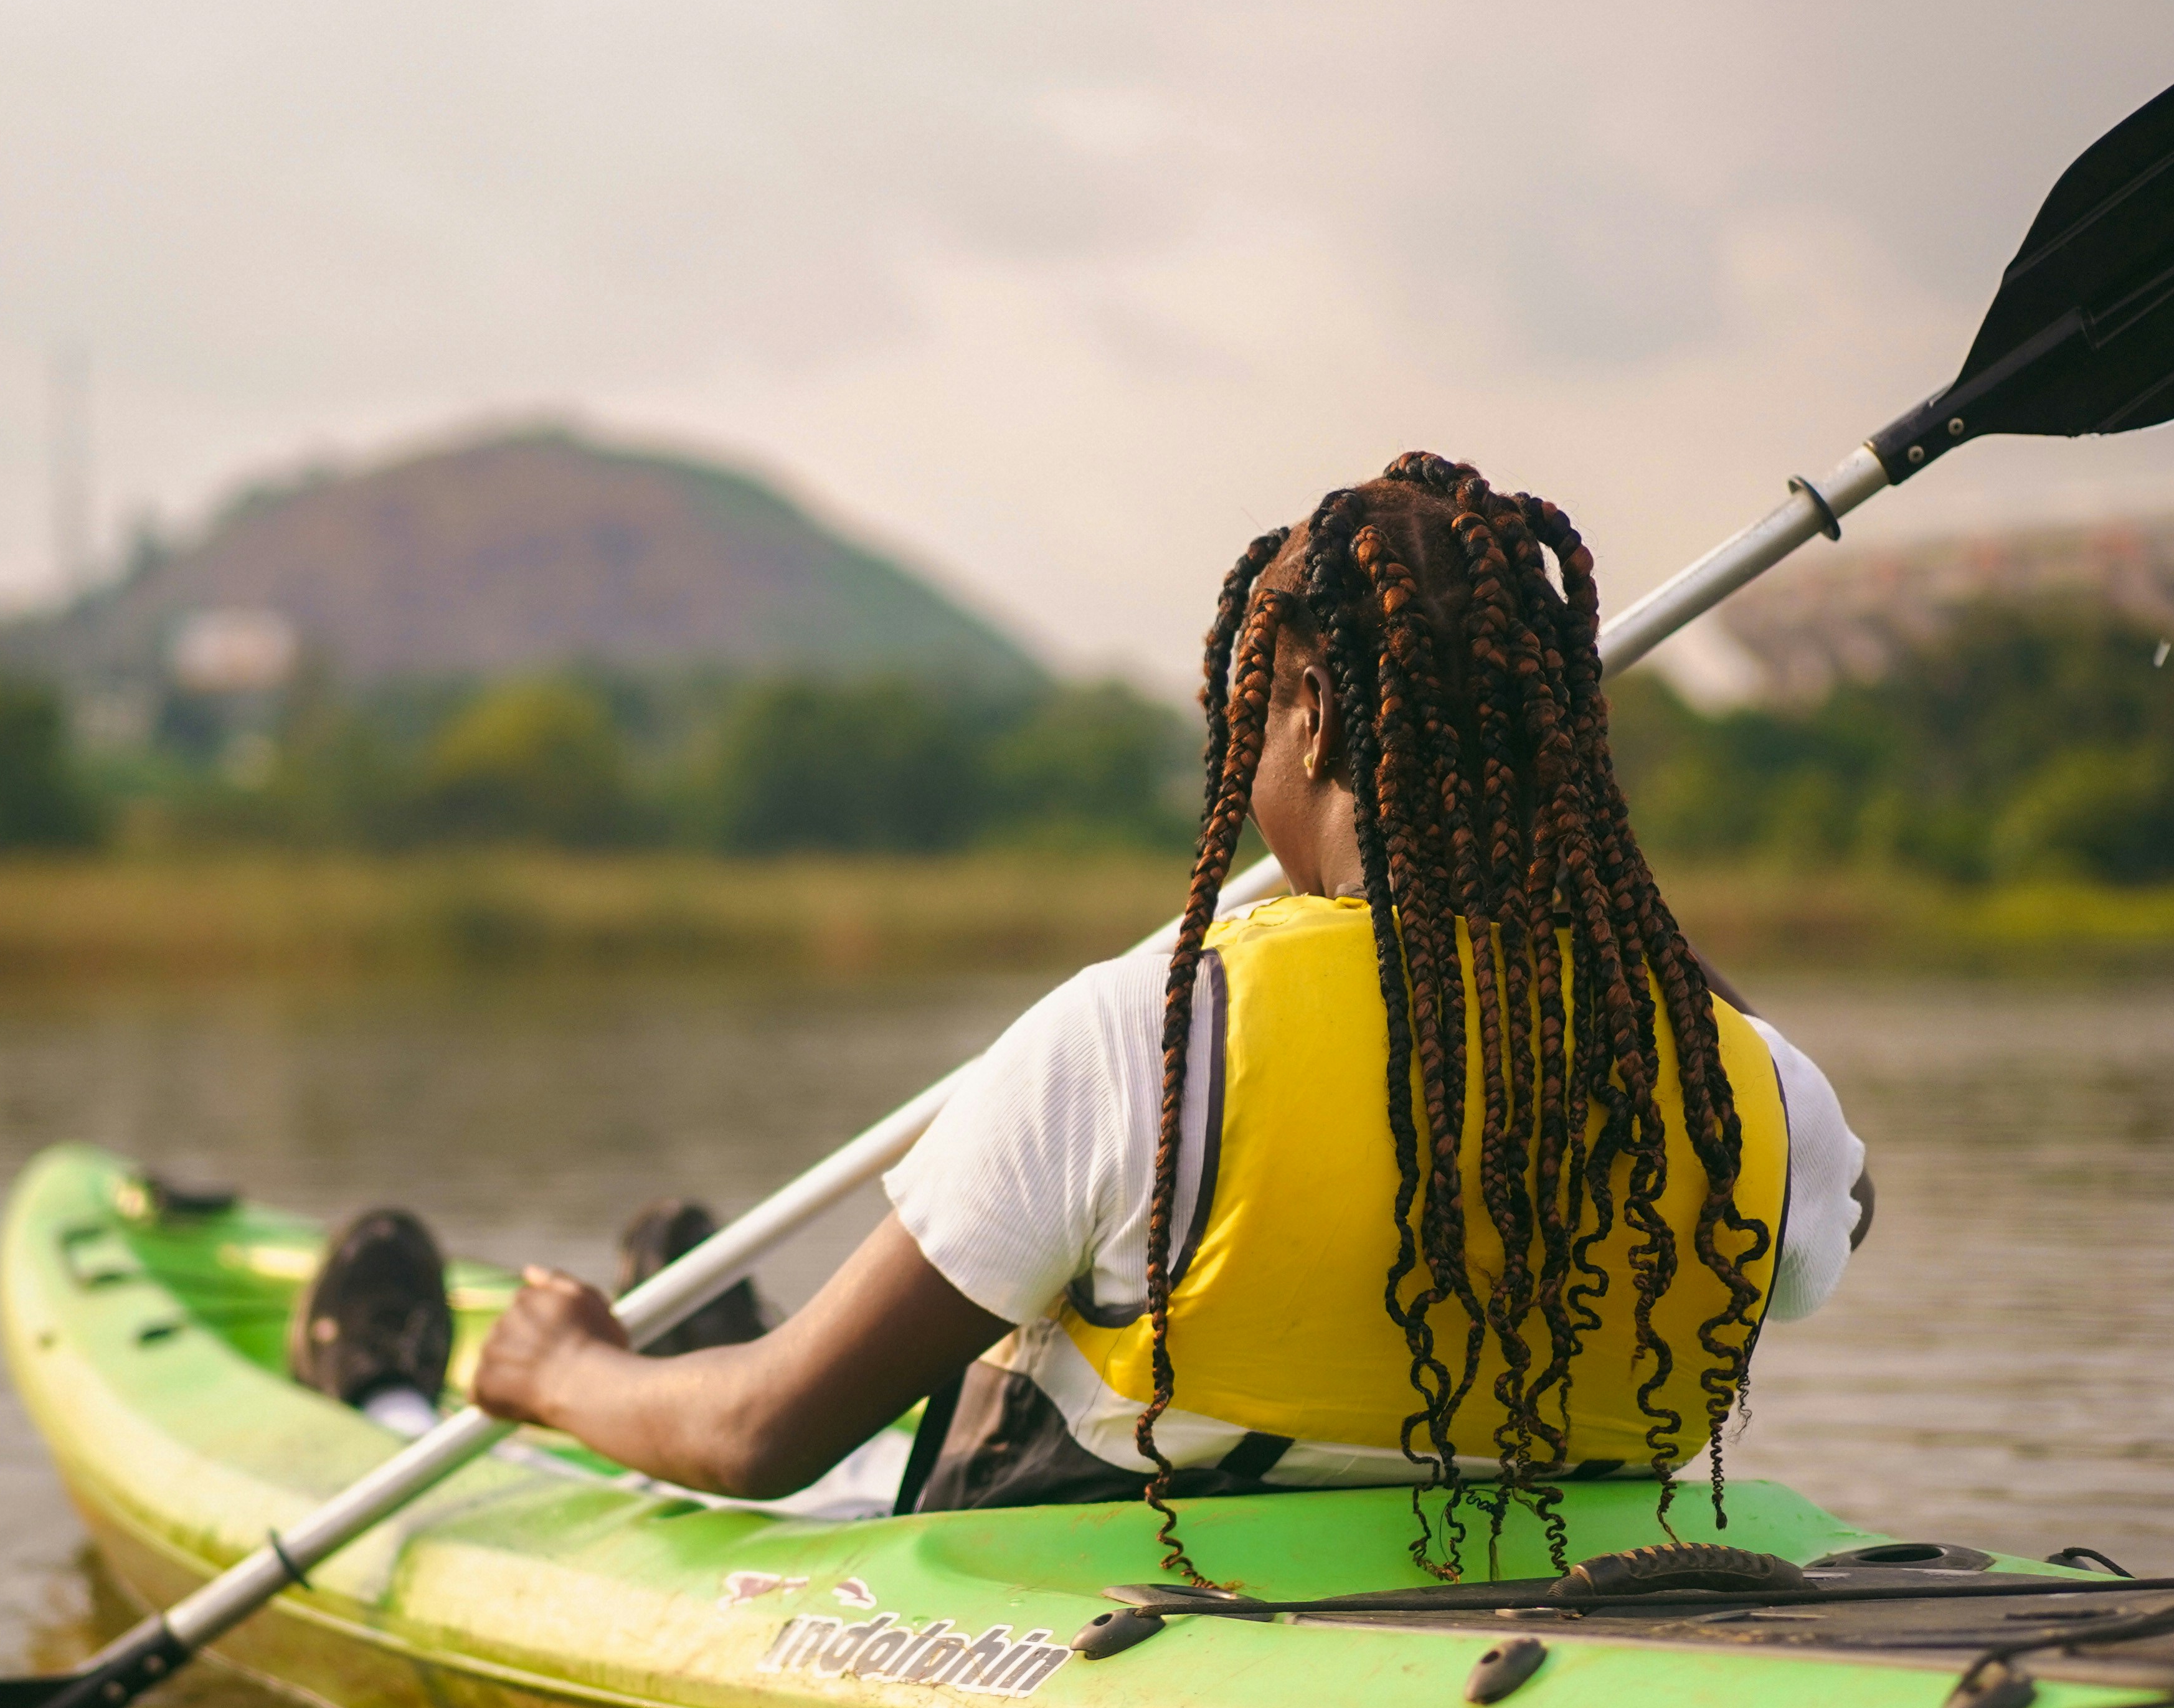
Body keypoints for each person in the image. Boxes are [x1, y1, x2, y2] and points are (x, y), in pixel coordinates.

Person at [392, 451, 1868, 1580]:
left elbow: (760, 1440)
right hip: (1528, 1579)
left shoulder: (1141, 1039)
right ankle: (696, 1315)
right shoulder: (1751, 1078)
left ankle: (415, 1400)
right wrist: (1621, 927)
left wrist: (560, 1368)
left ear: (1308, 710)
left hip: (1091, 1573)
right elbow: (1834, 1225)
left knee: (677, 1434)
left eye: (1249, 706)